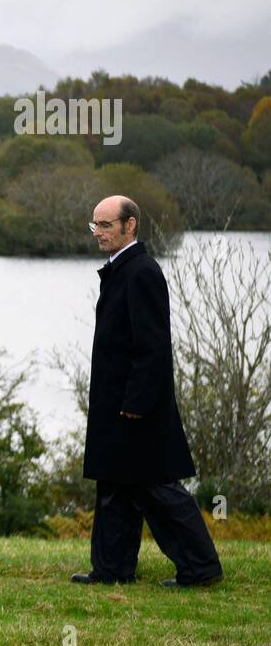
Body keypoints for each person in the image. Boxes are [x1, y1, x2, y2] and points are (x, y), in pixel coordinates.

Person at [72, 196, 222, 587]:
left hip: (136, 406)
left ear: (130, 225)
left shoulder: (141, 272)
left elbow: (153, 346)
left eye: (106, 225)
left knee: (156, 487)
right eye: (95, 226)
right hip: (118, 404)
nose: (99, 233)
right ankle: (112, 570)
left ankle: (201, 568)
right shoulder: (122, 269)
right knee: (116, 484)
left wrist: (137, 404)